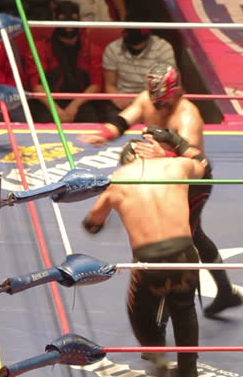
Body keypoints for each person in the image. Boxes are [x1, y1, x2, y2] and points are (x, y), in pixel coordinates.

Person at [79, 62, 243, 317]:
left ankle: (165, 312)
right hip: (163, 176)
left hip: (190, 181)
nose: (158, 107)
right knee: (194, 236)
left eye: (163, 102)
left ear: (175, 93)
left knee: (182, 240)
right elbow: (125, 119)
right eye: (156, 102)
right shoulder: (147, 99)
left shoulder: (187, 115)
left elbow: (196, 158)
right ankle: (225, 293)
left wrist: (164, 152)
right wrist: (105, 133)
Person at [82, 141, 204, 377]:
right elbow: (204, 165)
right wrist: (174, 148)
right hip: (184, 253)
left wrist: (106, 215)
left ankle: (157, 357)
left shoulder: (117, 181)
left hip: (150, 260)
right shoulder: (176, 166)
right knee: (184, 309)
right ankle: (189, 371)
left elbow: (92, 223)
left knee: (139, 312)